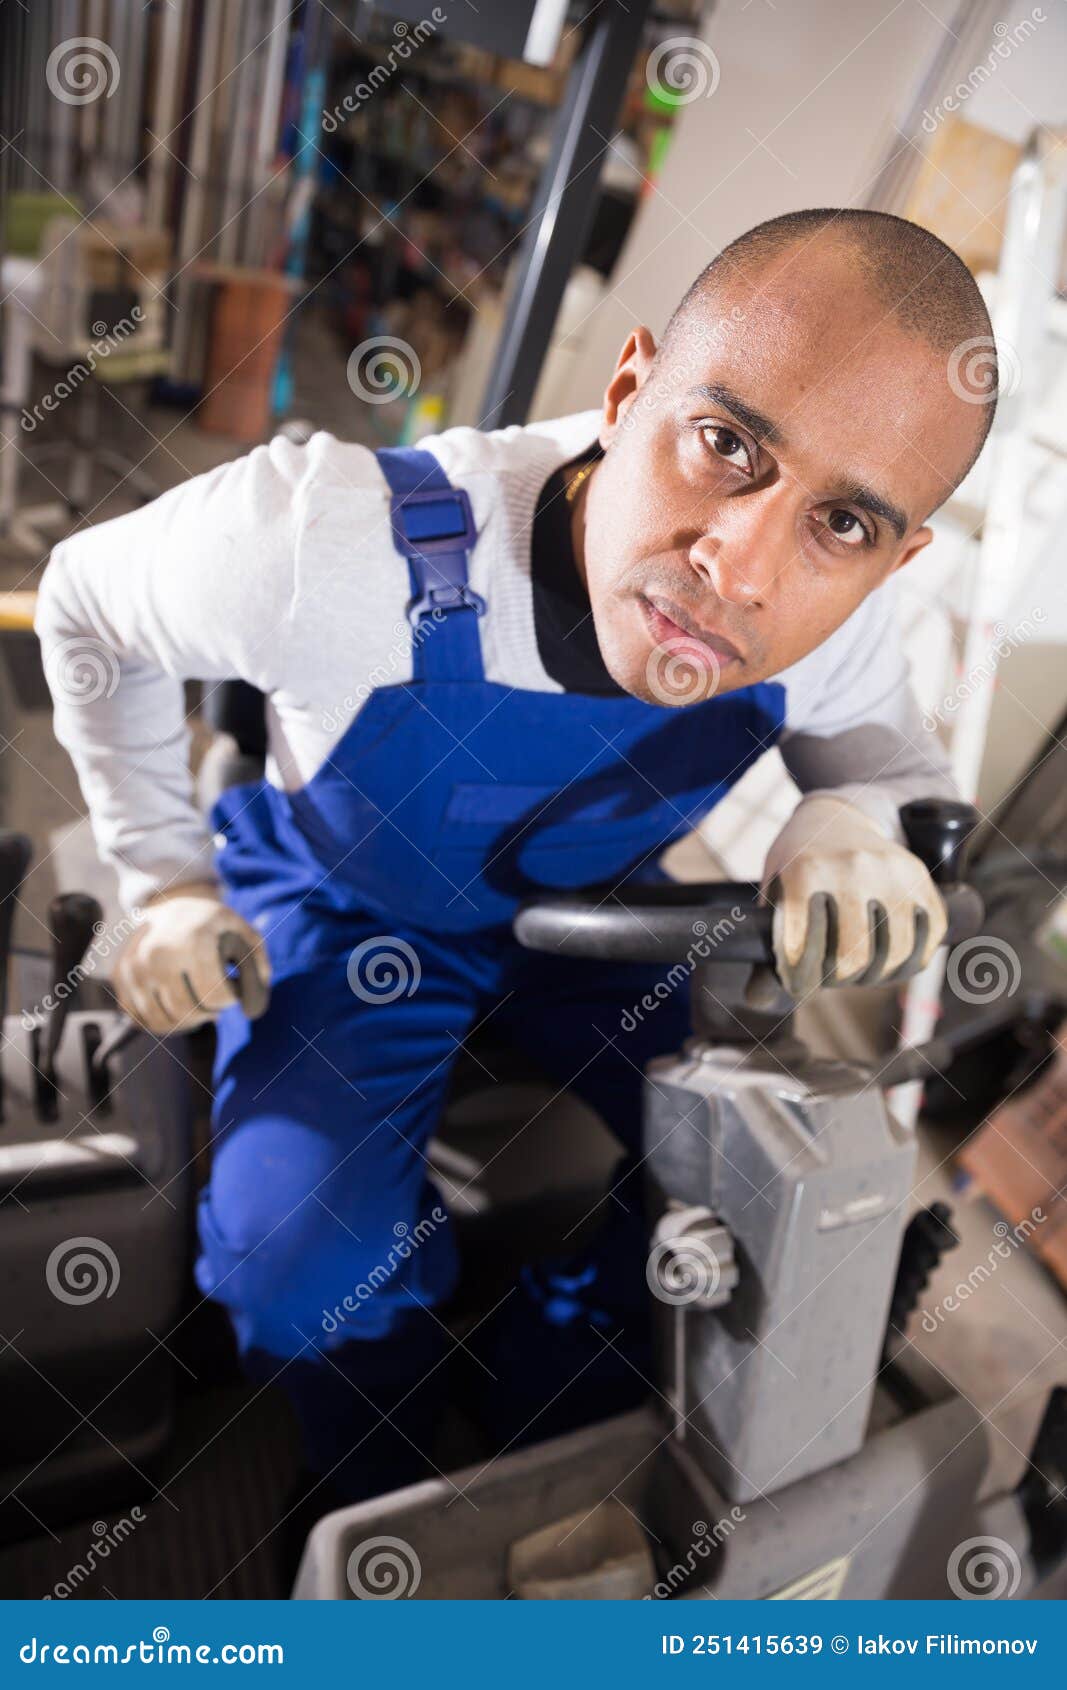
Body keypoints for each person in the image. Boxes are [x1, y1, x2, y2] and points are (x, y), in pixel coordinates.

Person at [37, 208, 996, 1504]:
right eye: (725, 445)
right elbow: (85, 600)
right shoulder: (324, 544)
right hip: (352, 900)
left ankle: (554, 1404)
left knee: (781, 1180)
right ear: (627, 388)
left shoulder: (835, 625)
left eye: (843, 524)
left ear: (895, 556)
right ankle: (377, 1473)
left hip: (601, 923)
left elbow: (892, 773)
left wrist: (849, 822)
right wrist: (162, 878)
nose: (741, 568)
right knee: (302, 1264)